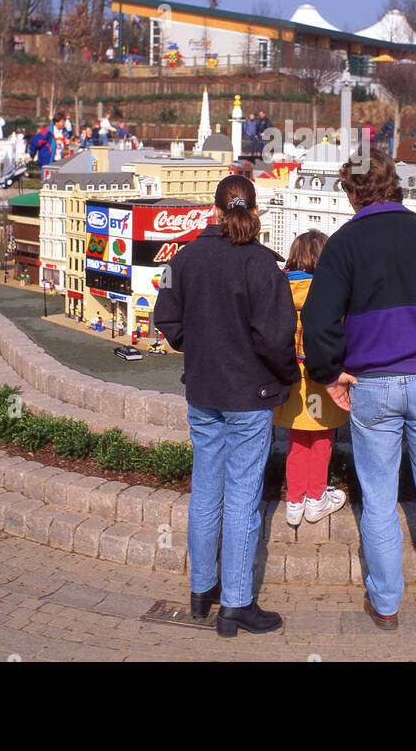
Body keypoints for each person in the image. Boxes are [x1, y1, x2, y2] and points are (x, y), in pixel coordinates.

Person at [303, 148, 416, 630]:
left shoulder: (342, 244)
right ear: (394, 185)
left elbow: (318, 320)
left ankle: (385, 603)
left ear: (352, 192)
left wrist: (329, 372)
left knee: (379, 498)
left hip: (372, 385)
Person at [152, 176, 297, 638]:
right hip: (249, 397)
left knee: (206, 492)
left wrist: (195, 347)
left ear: (213, 211)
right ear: (254, 211)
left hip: (203, 390)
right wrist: (287, 378)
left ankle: (201, 594)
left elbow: (166, 318)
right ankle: (236, 605)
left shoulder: (186, 257)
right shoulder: (262, 265)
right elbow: (276, 338)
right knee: (241, 499)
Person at [273, 230, 348, 527]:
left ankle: (294, 500)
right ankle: (316, 497)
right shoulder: (331, 292)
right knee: (320, 439)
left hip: (290, 378)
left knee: (296, 440)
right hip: (320, 382)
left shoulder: (278, 289)